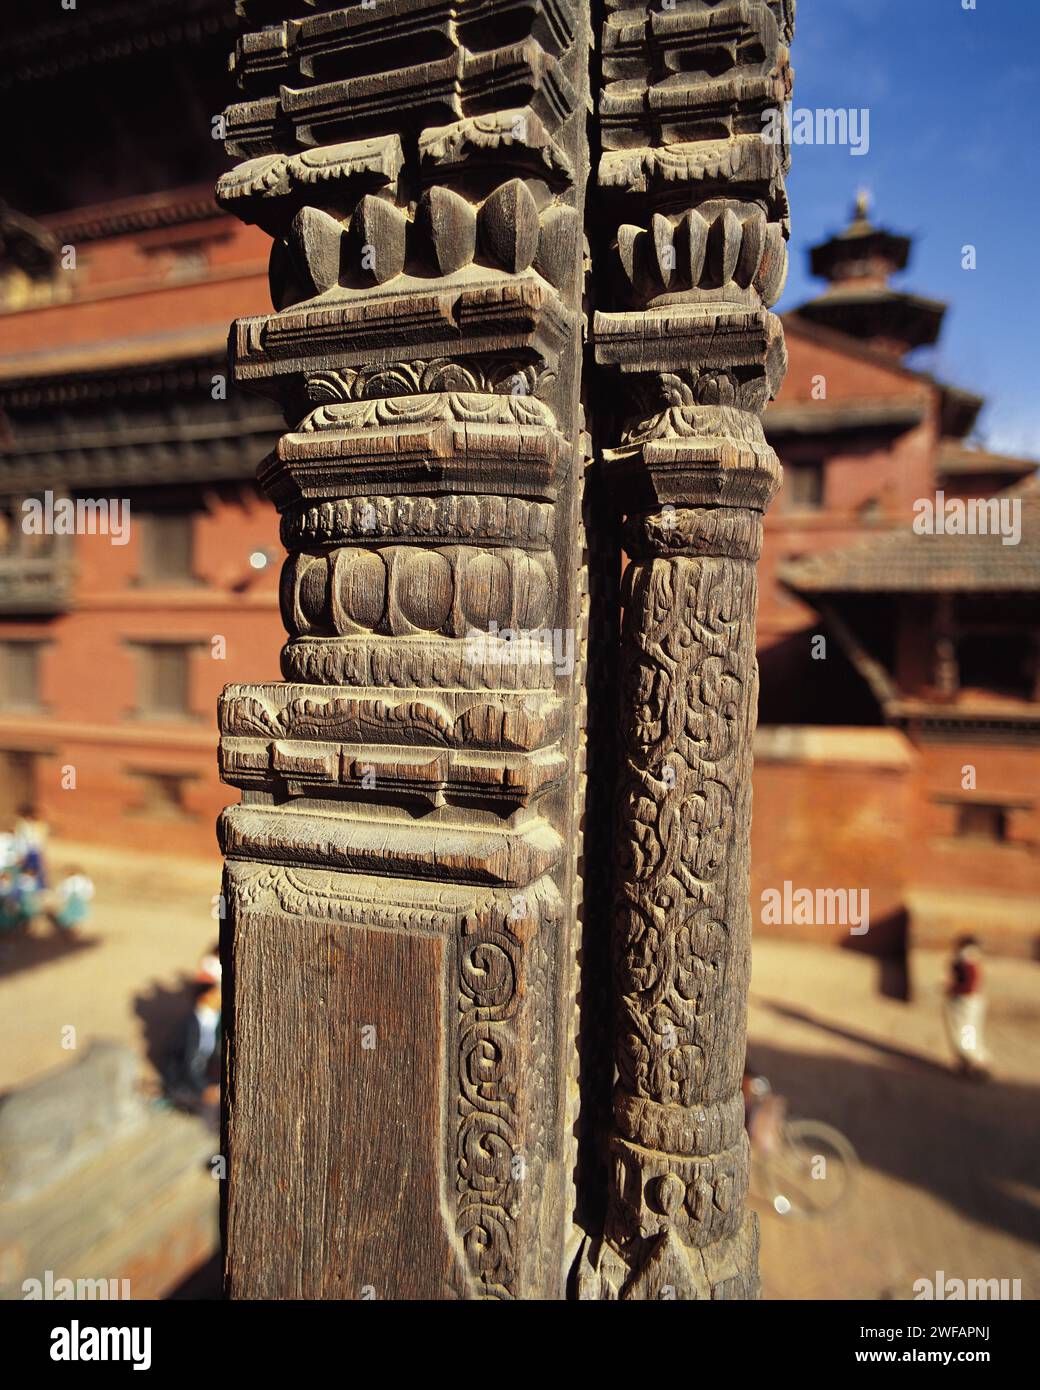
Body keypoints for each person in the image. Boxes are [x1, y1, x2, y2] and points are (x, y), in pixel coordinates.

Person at [943, 936, 991, 1080]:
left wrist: (953, 989)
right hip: (968, 1001)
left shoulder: (967, 959)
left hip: (965, 1003)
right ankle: (965, 1062)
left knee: (966, 1032)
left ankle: (977, 1062)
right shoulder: (969, 958)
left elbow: (968, 985)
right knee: (963, 1031)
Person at [51, 866, 95, 933]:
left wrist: (63, 898)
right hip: (76, 900)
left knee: (74, 917)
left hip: (76, 900)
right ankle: (72, 930)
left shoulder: (73, 880)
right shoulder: (83, 880)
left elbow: (62, 891)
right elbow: (89, 890)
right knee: (75, 917)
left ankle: (72, 930)